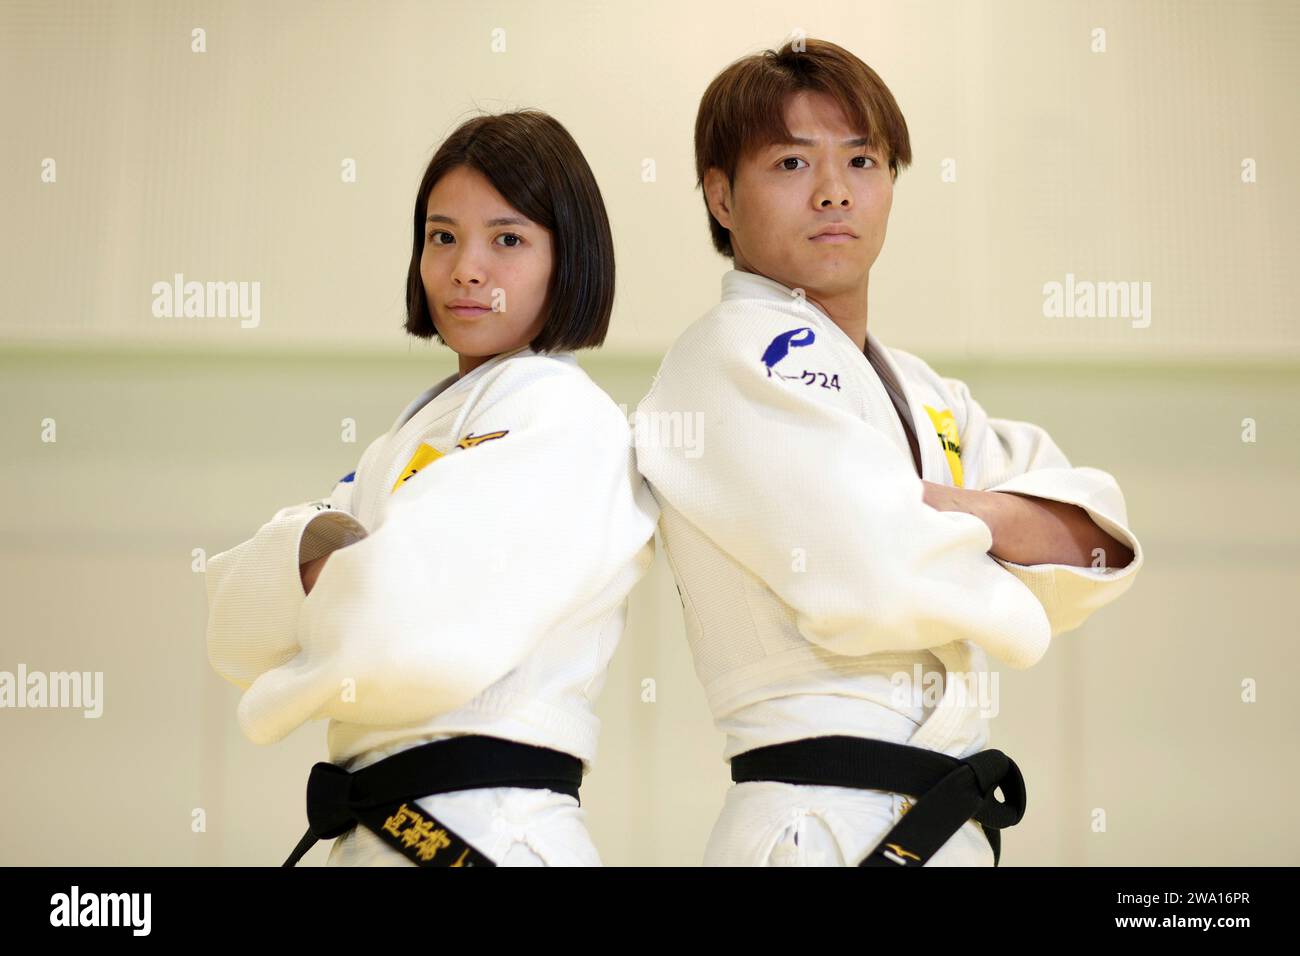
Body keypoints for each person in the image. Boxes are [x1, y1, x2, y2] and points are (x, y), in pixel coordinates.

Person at [633, 38, 1143, 866]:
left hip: (945, 820)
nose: (835, 191)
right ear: (721, 198)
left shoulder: (923, 390)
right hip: (814, 822)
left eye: (863, 160)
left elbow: (1095, 544)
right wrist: (1010, 567)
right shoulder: (726, 357)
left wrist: (958, 511)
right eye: (792, 163)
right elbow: (870, 581)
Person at [205, 109, 658, 867]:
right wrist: (332, 557)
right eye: (442, 236)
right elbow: (232, 628)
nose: (466, 269)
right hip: (383, 827)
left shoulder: (565, 415)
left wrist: (320, 573)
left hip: (486, 830)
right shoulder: (403, 440)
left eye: (507, 240)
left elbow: (400, 629)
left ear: (568, 257)